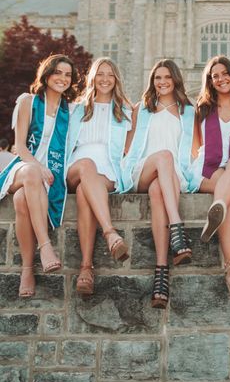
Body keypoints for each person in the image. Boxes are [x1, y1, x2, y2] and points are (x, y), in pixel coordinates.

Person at [0, 54, 78, 297]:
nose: (62, 79)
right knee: (32, 174)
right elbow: (20, 147)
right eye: (58, 73)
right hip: (24, 167)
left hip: (48, 178)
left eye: (67, 75)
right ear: (47, 74)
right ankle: (45, 246)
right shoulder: (29, 101)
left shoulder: (72, 111)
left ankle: (27, 270)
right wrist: (39, 167)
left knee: (22, 200)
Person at [122, 59, 195, 309]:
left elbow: (196, 149)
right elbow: (127, 144)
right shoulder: (141, 108)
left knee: (158, 191)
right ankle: (177, 226)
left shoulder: (189, 111)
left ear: (175, 79)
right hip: (142, 169)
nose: (162, 82)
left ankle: (161, 273)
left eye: (166, 77)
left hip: (172, 176)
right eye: (157, 78)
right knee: (163, 155)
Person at [66, 57, 132, 295]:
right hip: (76, 167)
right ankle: (109, 232)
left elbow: (131, 150)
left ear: (116, 79)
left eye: (110, 75)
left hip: (108, 172)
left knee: (86, 190)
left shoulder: (125, 112)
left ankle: (86, 269)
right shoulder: (75, 109)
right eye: (100, 74)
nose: (105, 79)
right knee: (86, 165)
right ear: (92, 77)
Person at [189, 55, 230, 298]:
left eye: (225, 73)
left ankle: (218, 206)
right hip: (211, 168)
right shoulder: (201, 110)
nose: (221, 79)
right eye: (215, 76)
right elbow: (195, 146)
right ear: (210, 81)